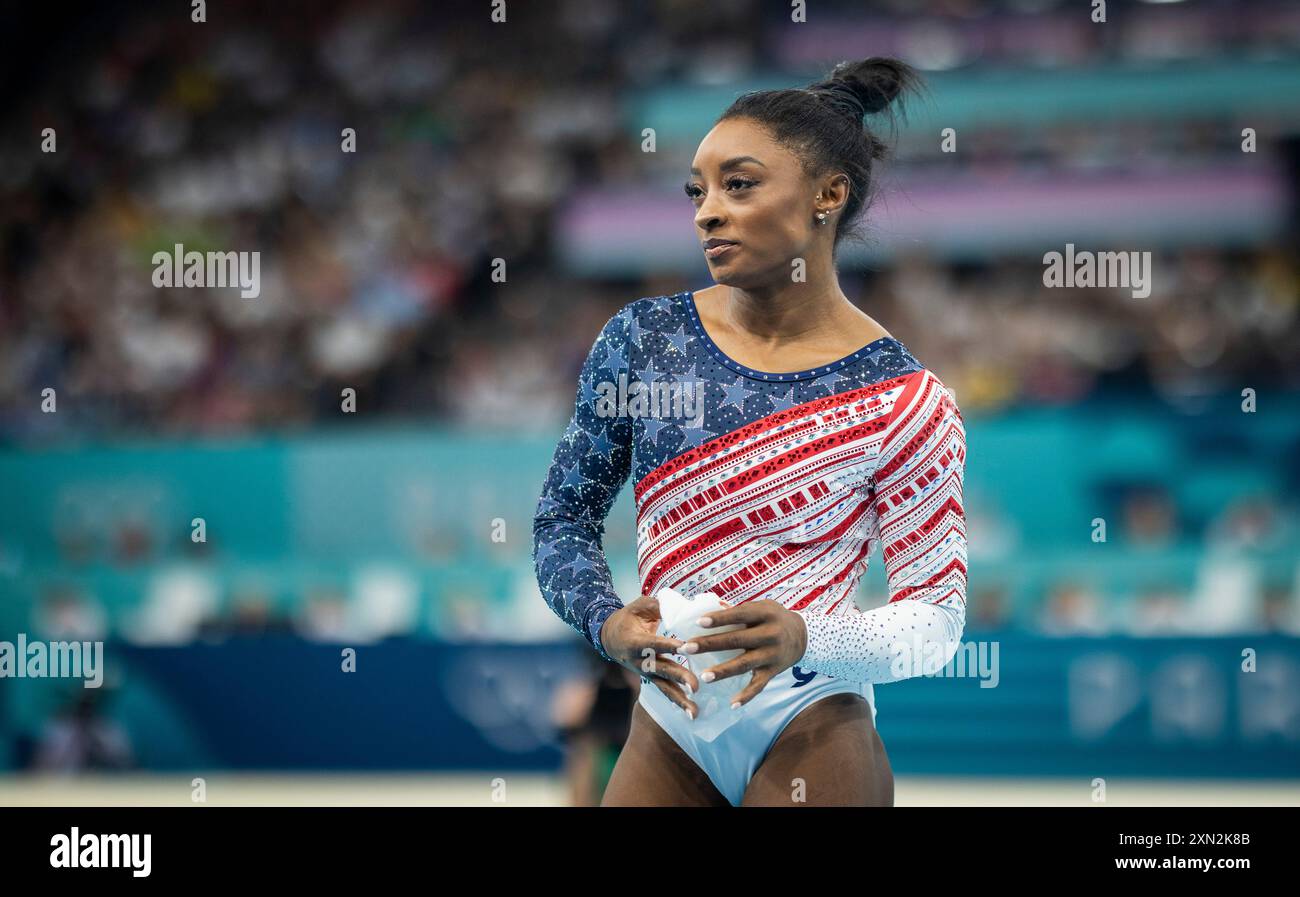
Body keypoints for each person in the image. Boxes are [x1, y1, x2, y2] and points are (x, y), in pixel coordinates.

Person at [532, 58, 967, 806]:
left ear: (827, 195)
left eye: (739, 185)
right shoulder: (642, 340)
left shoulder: (902, 398)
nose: (706, 212)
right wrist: (606, 621)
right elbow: (561, 521)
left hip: (812, 717)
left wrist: (808, 636)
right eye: (697, 191)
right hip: (669, 720)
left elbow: (936, 622)